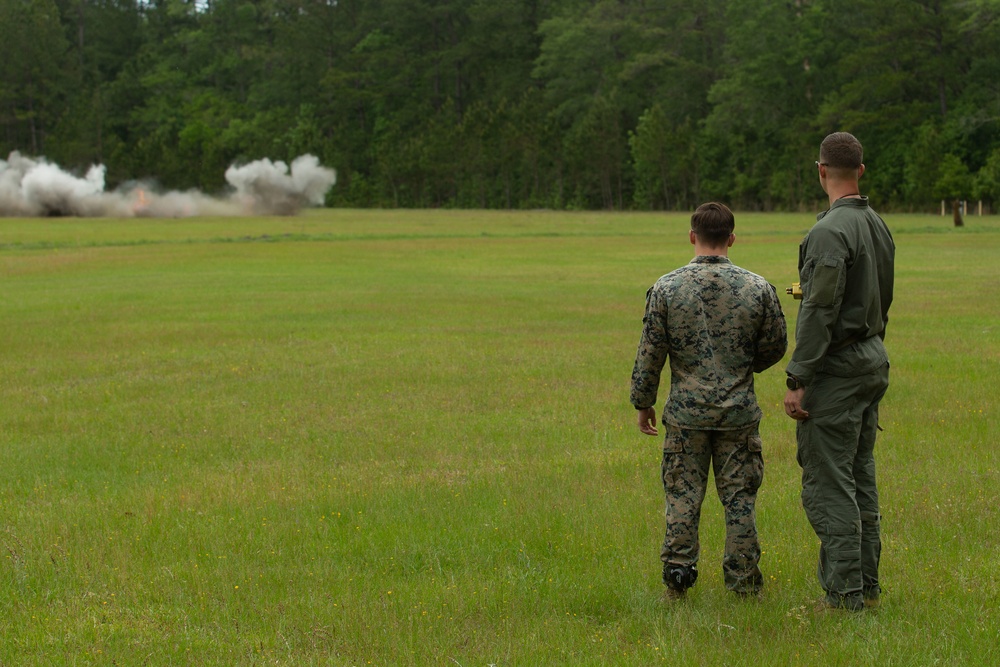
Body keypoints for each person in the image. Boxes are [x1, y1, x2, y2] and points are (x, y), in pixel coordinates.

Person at [630, 202, 787, 600]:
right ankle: (743, 583)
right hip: (738, 413)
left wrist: (643, 401)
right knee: (739, 501)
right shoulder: (758, 287)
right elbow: (775, 346)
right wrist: (742, 367)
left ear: (692, 236)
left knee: (682, 497)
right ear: (731, 238)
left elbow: (651, 352)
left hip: (686, 414)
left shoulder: (667, 288)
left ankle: (677, 581)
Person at [783, 132, 895, 612]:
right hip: (871, 356)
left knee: (830, 482)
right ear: (861, 172)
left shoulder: (830, 232)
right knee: (859, 475)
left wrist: (798, 378)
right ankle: (866, 589)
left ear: (821, 170)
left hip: (840, 367)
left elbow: (819, 310)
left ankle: (845, 596)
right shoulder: (877, 223)